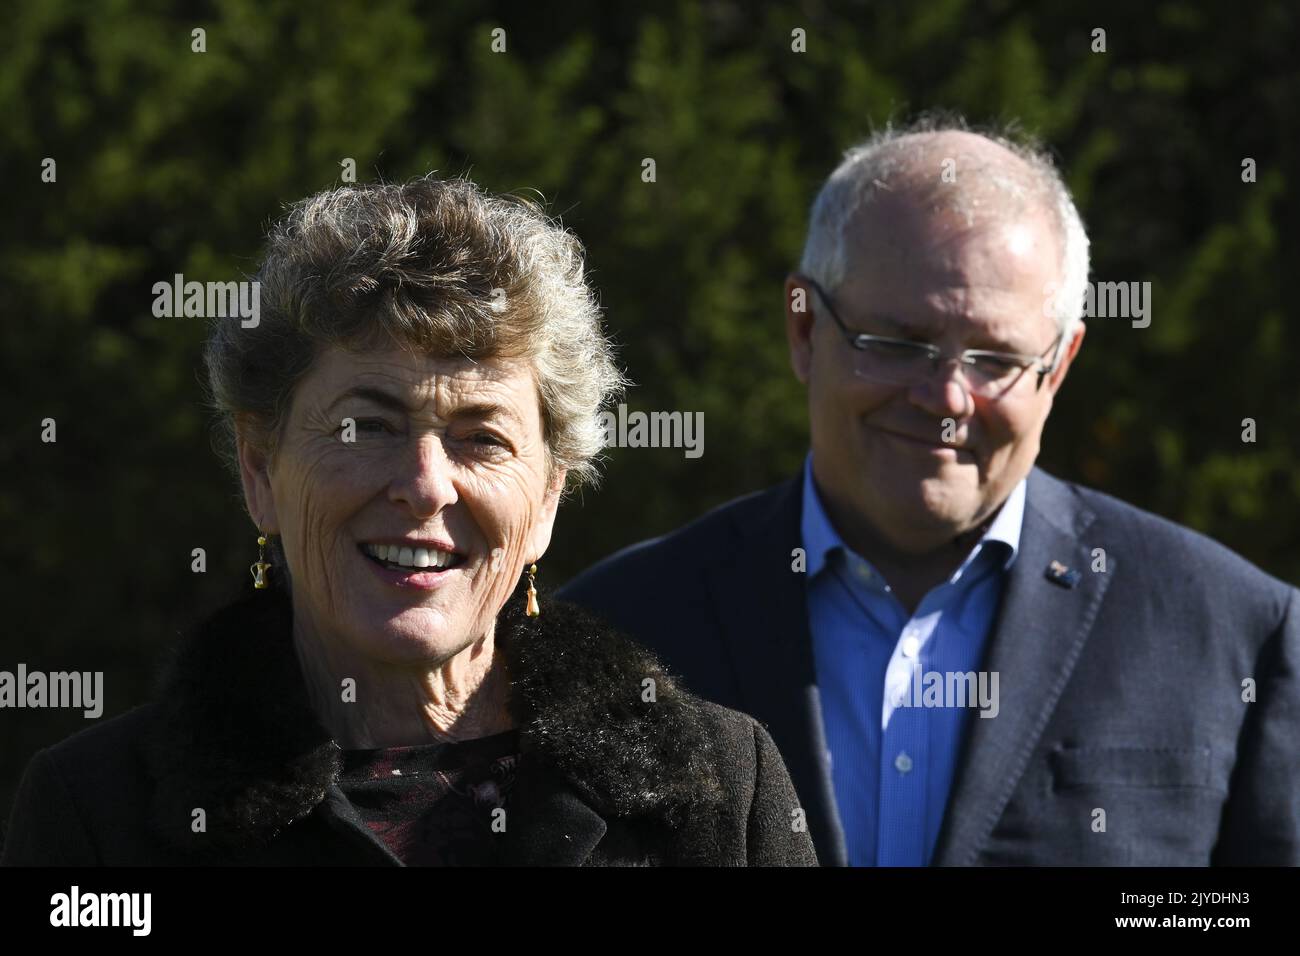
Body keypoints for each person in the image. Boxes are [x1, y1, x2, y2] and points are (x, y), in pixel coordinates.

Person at [0, 177, 816, 867]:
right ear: (260, 471)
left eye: (482, 438)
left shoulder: (717, 788)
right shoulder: (98, 814)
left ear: (548, 502)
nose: (426, 485)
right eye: (369, 426)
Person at [561, 120, 1300, 866]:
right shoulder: (622, 630)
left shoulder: (1237, 633)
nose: (947, 397)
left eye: (996, 358)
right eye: (899, 343)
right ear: (803, 328)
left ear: (1061, 363)